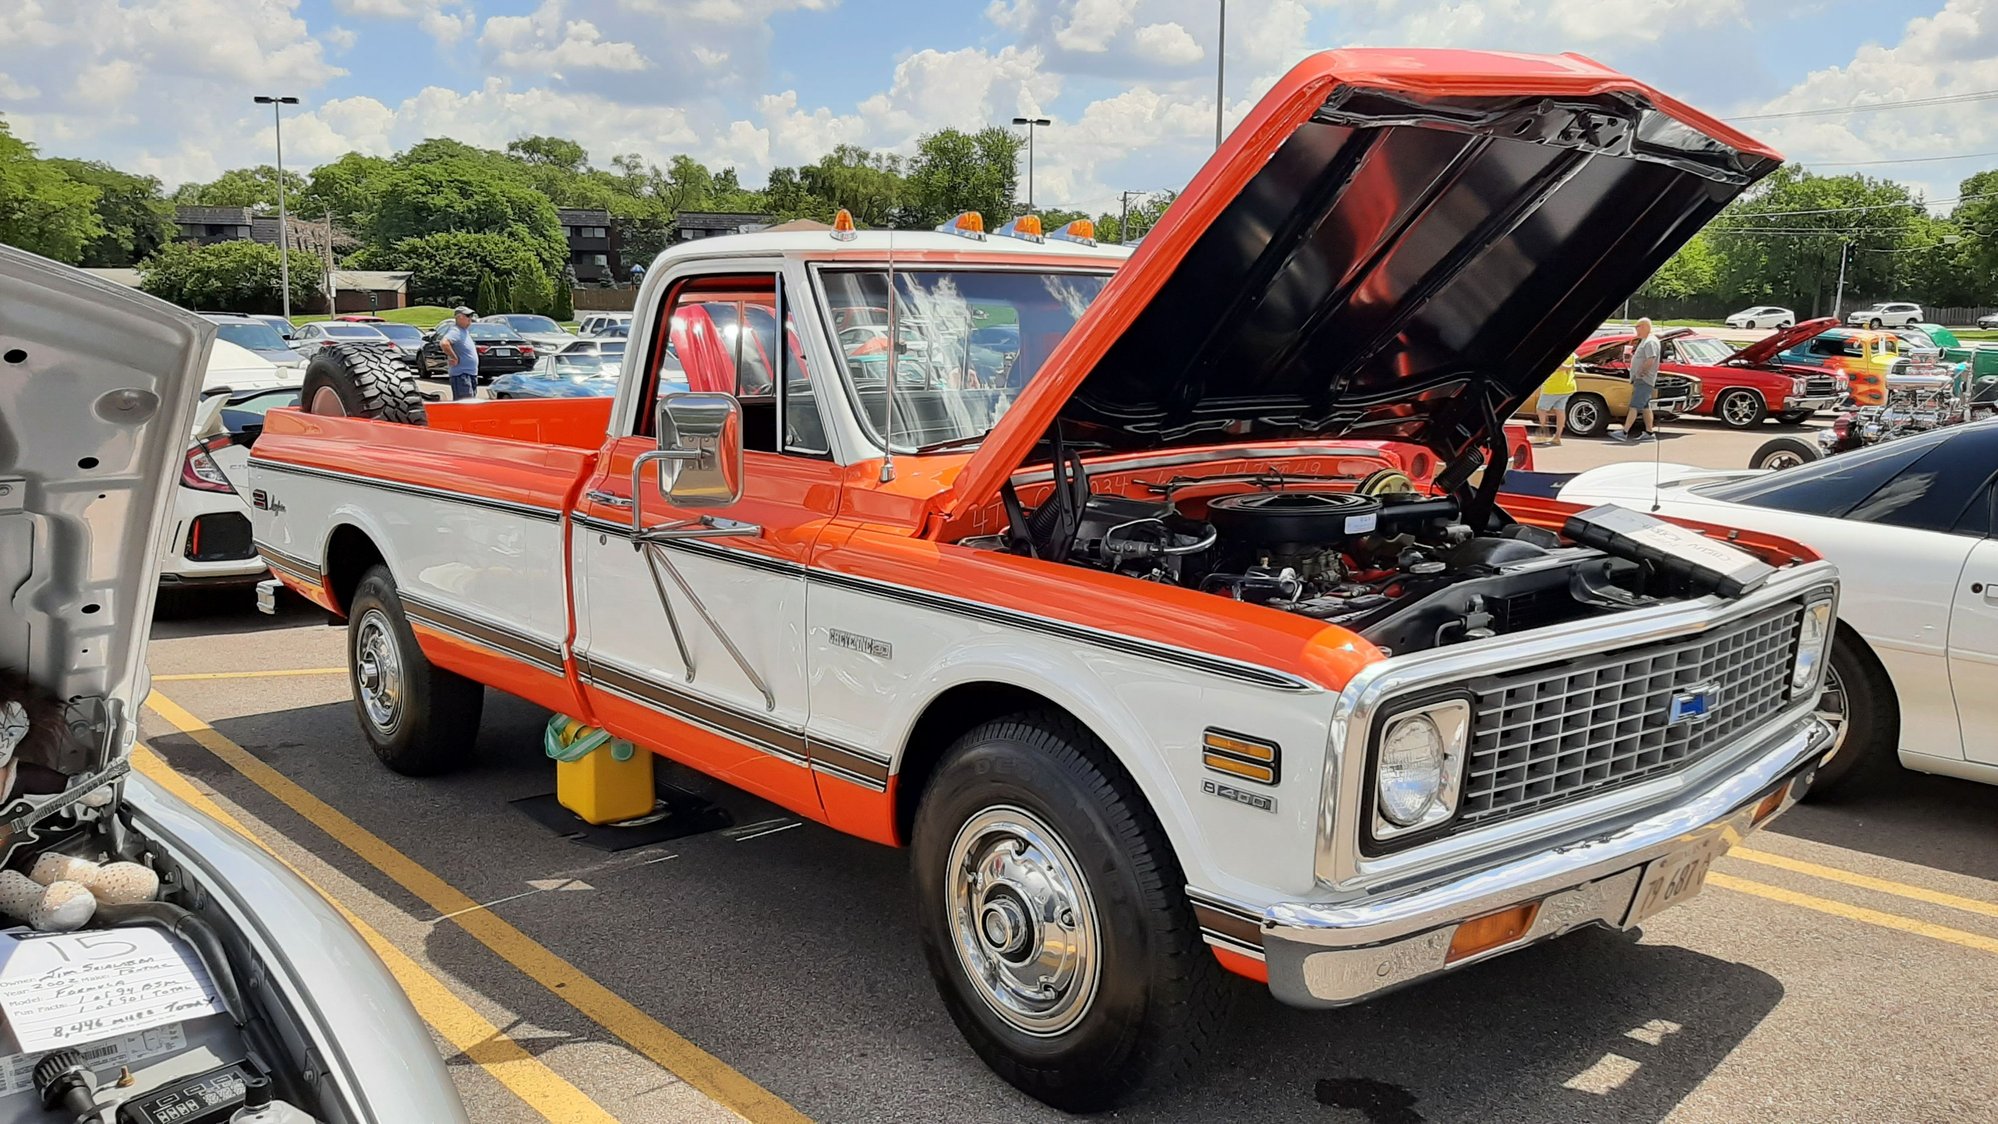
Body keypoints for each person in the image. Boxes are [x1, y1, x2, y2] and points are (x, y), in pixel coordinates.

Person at [1615, 318, 1660, 442]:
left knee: (1634, 406)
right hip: (1643, 379)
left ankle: (1624, 432)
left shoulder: (1650, 342)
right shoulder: (1645, 341)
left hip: (1644, 380)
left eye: (1637, 327)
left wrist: (1641, 372)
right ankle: (1649, 433)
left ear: (1645, 326)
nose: (1636, 329)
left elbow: (1651, 359)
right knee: (1645, 407)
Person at [1535, 352, 1578, 445]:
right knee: (1560, 410)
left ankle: (1543, 431)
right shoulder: (1572, 354)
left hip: (1553, 387)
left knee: (1541, 409)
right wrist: (1570, 367)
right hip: (1568, 387)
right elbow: (1573, 364)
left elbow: (1559, 367)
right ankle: (1557, 437)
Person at [438, 306, 480, 401]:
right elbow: (444, 343)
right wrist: (454, 357)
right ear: (459, 317)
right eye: (467, 316)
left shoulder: (464, 331)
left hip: (470, 374)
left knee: (470, 405)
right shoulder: (455, 331)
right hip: (462, 376)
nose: (470, 319)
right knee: (465, 406)